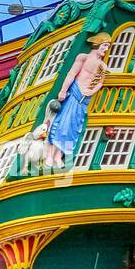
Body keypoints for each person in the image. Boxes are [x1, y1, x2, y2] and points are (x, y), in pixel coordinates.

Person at [44, 31, 113, 169]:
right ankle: (50, 156)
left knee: (73, 129)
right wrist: (63, 90)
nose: (106, 49)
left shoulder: (102, 66)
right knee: (61, 124)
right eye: (105, 45)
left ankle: (59, 156)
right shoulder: (83, 57)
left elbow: (99, 82)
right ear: (97, 44)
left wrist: (92, 91)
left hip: (84, 100)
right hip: (74, 94)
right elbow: (71, 74)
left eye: (108, 46)